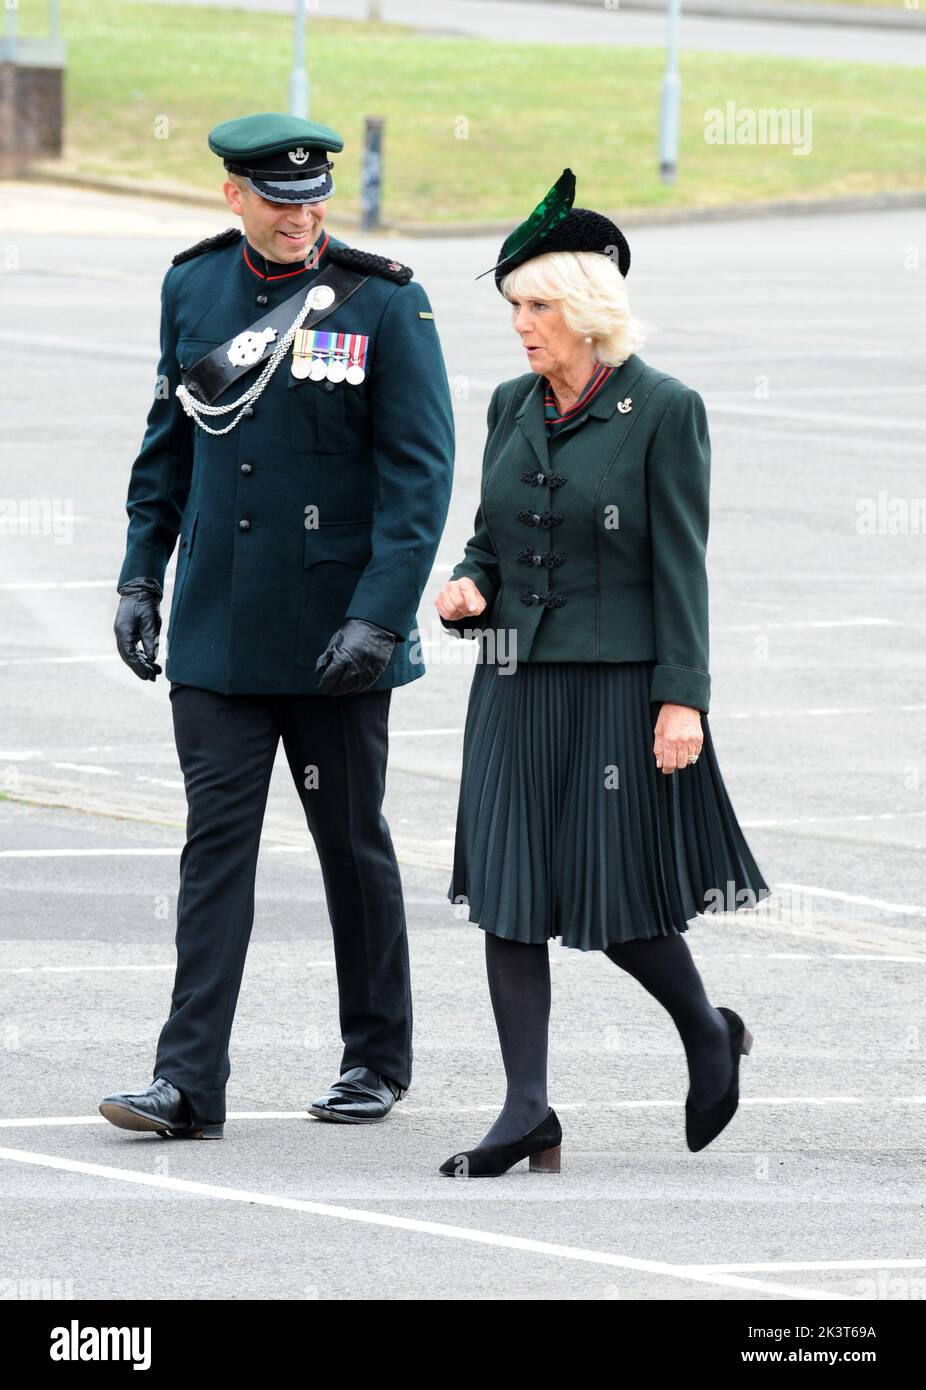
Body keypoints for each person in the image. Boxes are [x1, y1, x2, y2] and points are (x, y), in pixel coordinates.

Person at [100, 112, 454, 1140]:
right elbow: (166, 445)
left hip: (335, 637)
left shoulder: (383, 300)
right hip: (217, 632)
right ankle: (187, 1083)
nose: (301, 217)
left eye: (314, 199)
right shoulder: (193, 286)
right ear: (234, 196)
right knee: (214, 852)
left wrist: (379, 618)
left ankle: (375, 1058)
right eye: (278, 200)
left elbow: (419, 478)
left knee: (350, 845)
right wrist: (140, 577)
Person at [435, 169, 769, 1178]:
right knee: (507, 894)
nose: (521, 327)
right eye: (513, 308)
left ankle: (706, 1030)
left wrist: (683, 698)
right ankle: (526, 1108)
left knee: (615, 898)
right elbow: (490, 537)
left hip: (618, 685)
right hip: (513, 682)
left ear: (585, 311)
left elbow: (680, 565)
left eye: (537, 308)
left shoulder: (663, 409)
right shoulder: (509, 404)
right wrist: (467, 583)